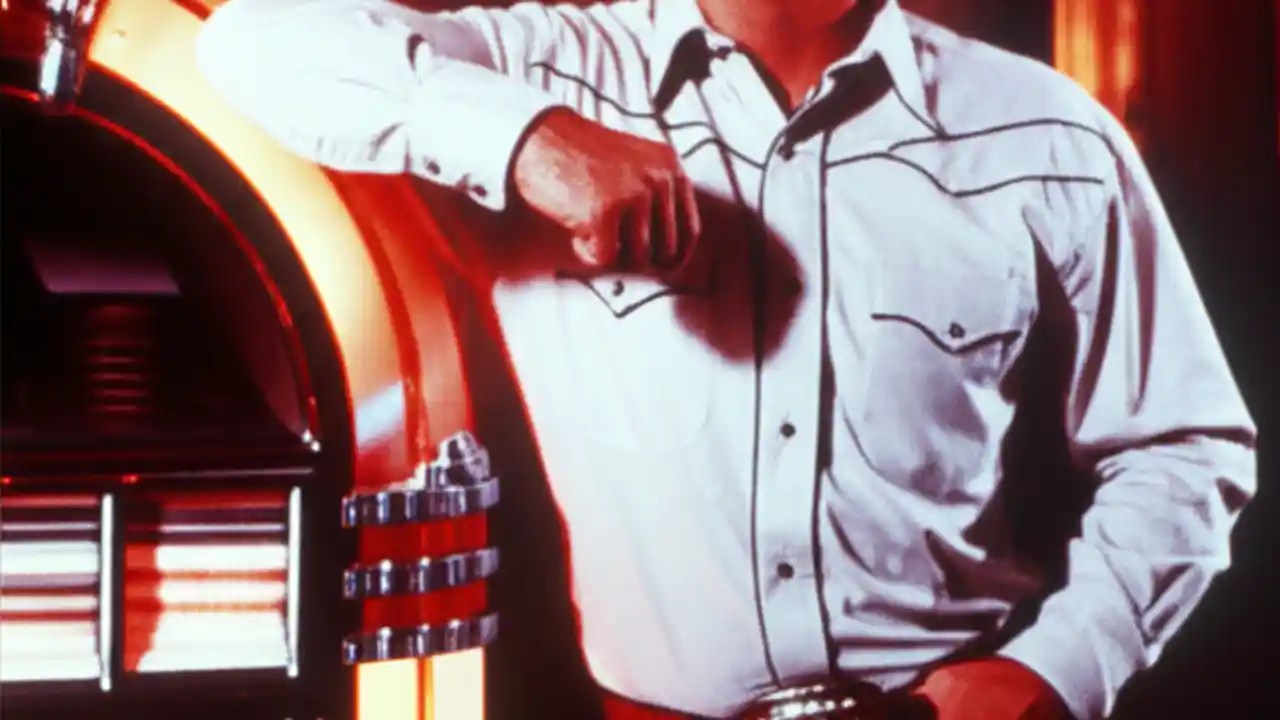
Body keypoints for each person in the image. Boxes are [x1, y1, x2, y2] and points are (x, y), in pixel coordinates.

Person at [195, 1, 1257, 718]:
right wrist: (528, 138)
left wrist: (1051, 670)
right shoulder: (543, 64)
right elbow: (246, 42)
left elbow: (1183, 447)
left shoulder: (1045, 135)